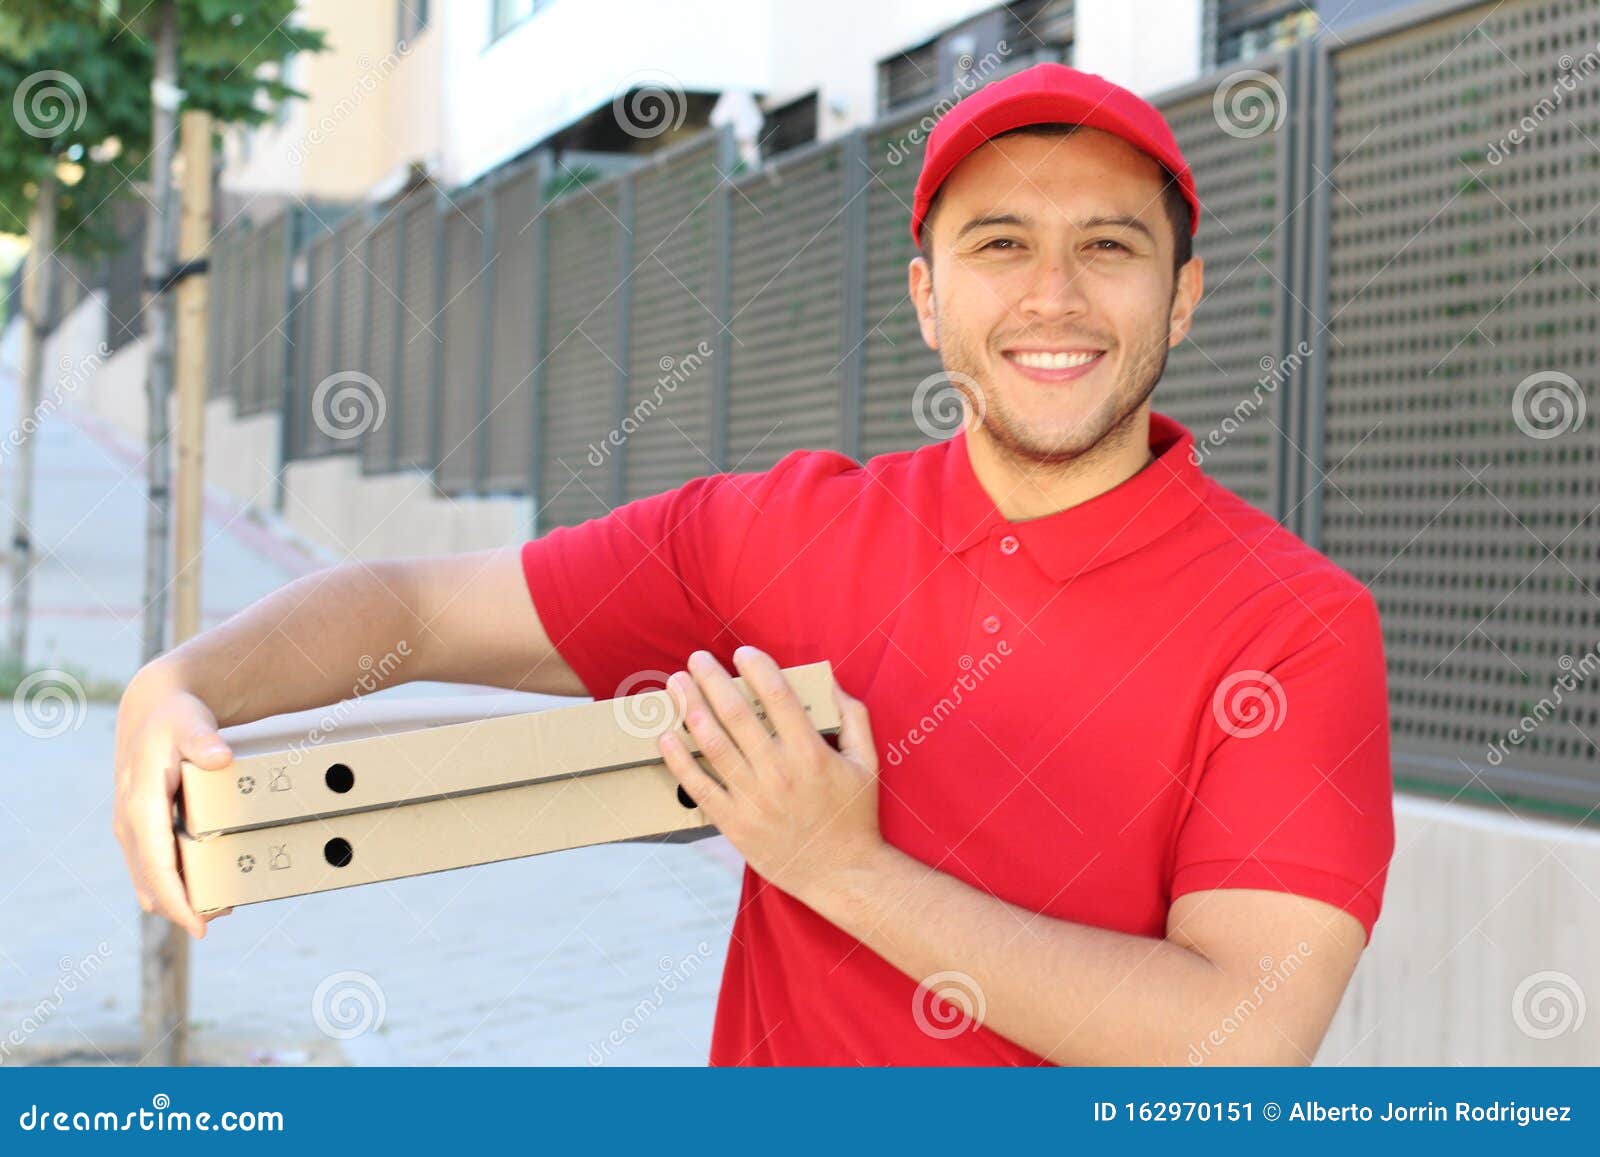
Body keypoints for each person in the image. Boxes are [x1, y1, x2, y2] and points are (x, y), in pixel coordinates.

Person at [114, 62, 1394, 1066]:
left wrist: (838, 863)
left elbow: (1238, 1034)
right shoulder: (779, 533)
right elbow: (416, 606)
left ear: (1181, 297)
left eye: (1108, 246)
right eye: (999, 242)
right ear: (926, 296)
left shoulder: (1291, 625)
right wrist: (179, 684)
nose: (1052, 293)